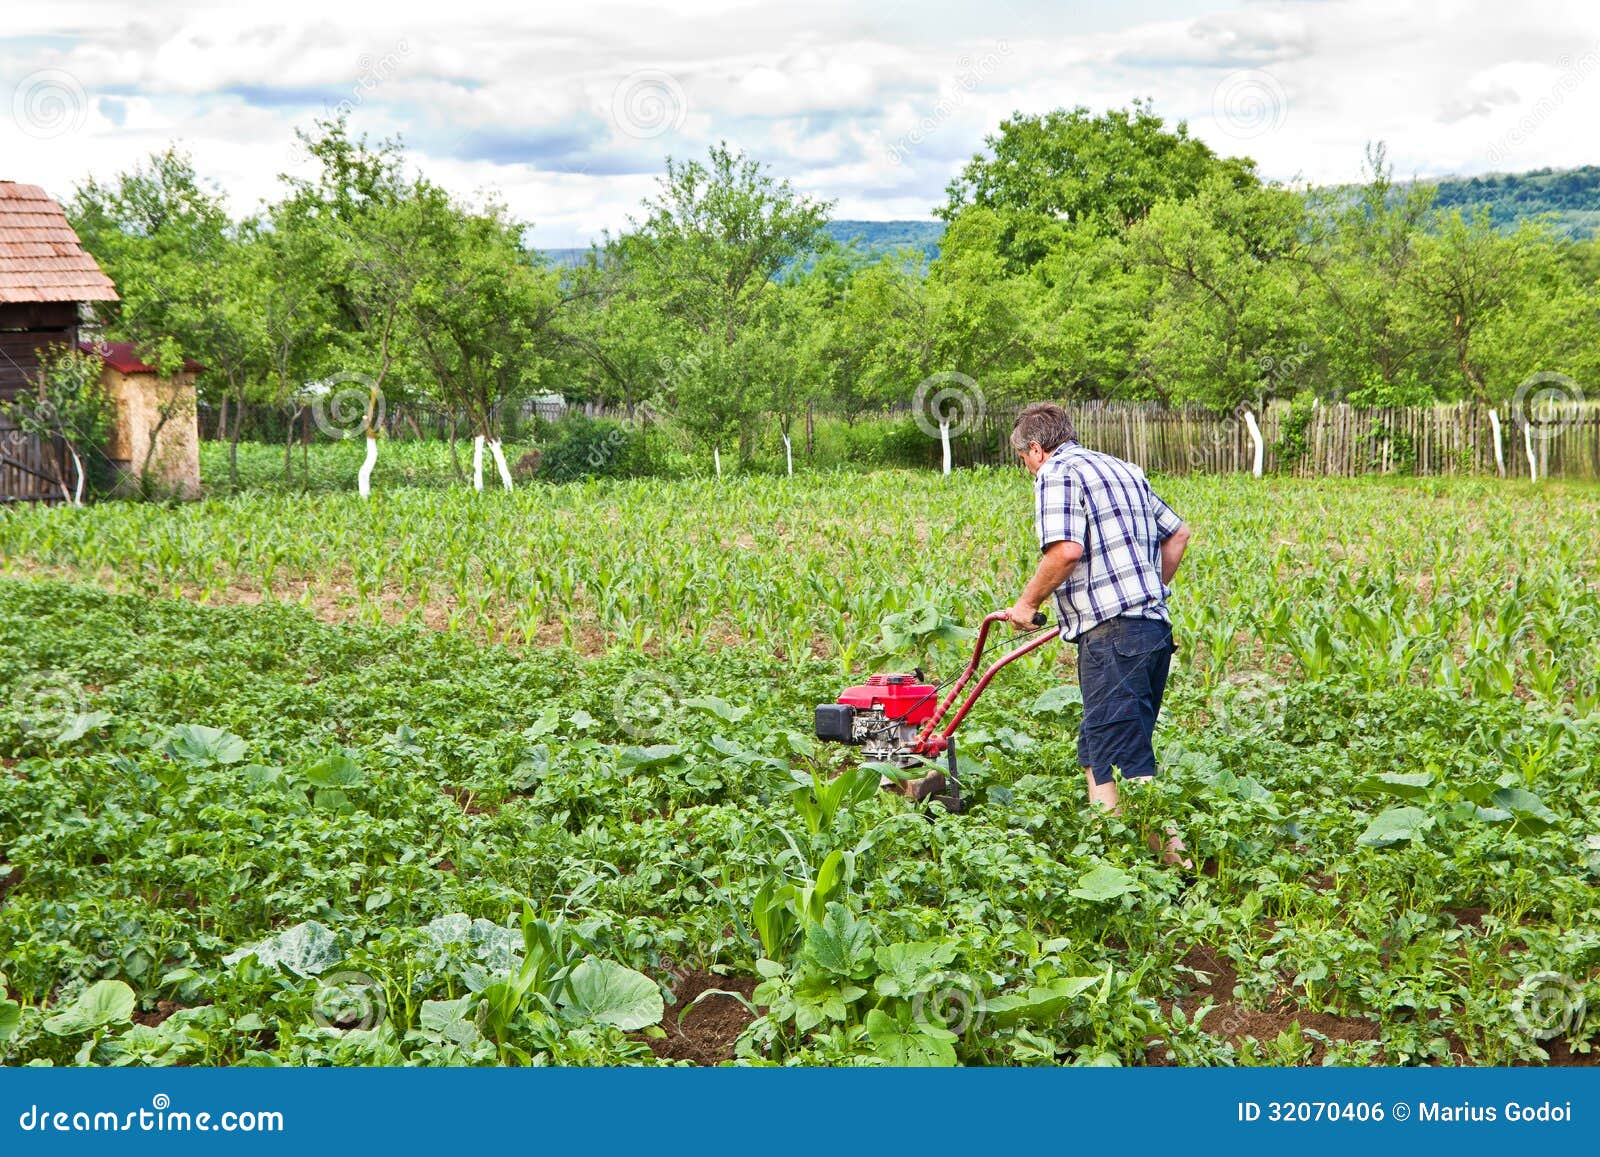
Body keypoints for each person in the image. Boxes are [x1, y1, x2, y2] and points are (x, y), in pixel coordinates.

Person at [1002, 402, 1195, 870]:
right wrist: (1146, 588)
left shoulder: (1056, 474)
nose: (1027, 469)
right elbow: (1179, 535)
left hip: (1114, 636)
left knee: (1127, 759)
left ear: (1035, 448)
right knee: (1098, 746)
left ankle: (1178, 871)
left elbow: (1067, 551)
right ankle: (1108, 856)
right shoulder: (1123, 468)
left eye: (1024, 459)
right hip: (1150, 631)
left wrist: (1026, 605)